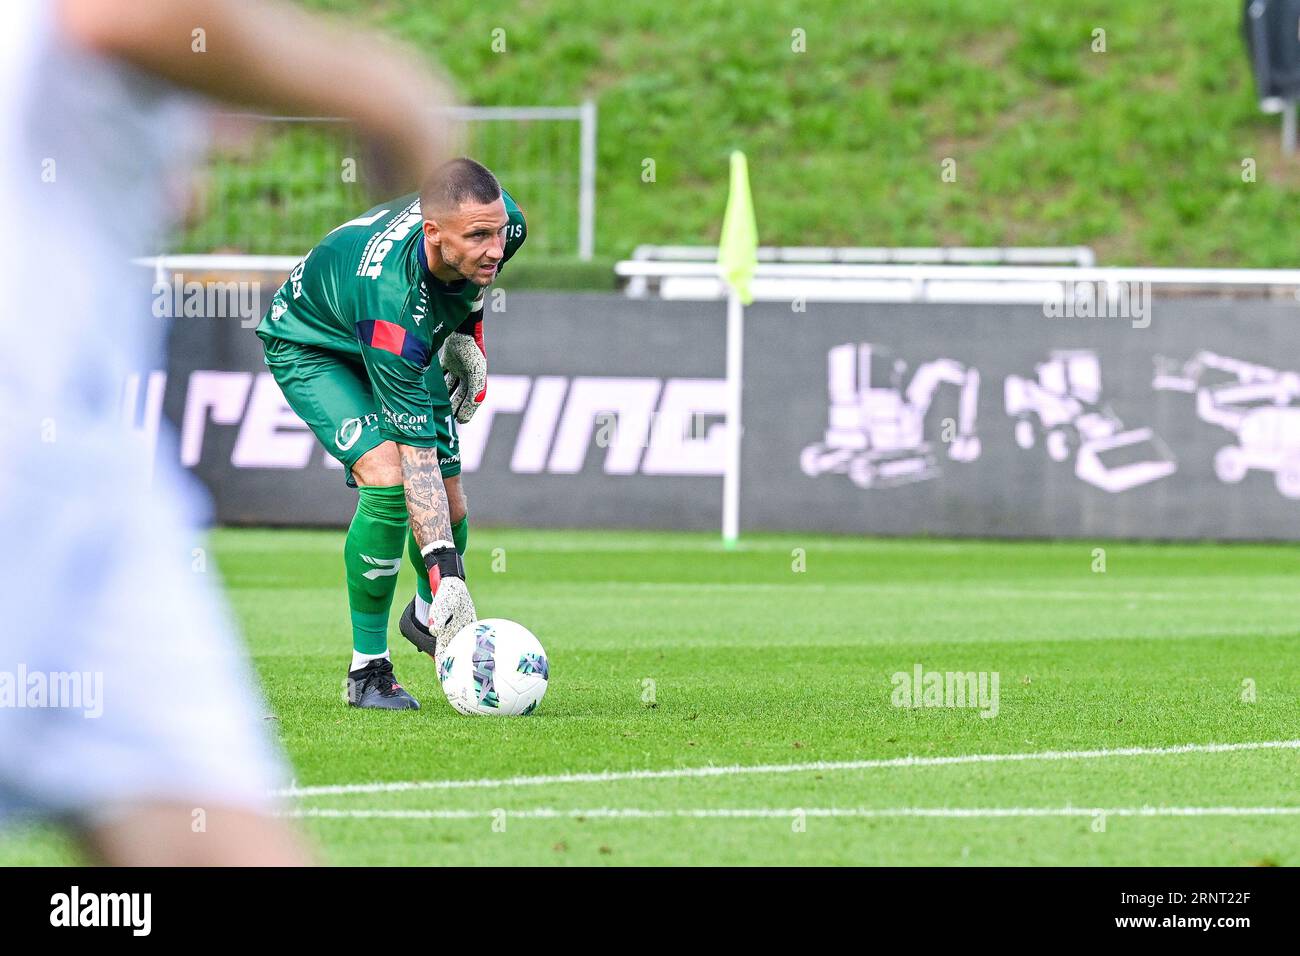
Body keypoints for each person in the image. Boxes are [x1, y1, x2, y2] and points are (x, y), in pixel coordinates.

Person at [0, 0, 462, 865]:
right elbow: (125, 17)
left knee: (215, 841)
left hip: (82, 464)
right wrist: (381, 90)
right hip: (29, 437)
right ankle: (368, 665)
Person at [255, 158, 527, 710]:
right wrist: (448, 573)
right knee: (389, 477)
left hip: (404, 338)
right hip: (315, 344)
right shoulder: (393, 302)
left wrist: (466, 335)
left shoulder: (506, 225)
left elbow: (468, 283)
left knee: (450, 504)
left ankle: (427, 618)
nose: (495, 247)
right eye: (479, 236)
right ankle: (368, 671)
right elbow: (416, 460)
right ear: (433, 233)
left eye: (496, 231)